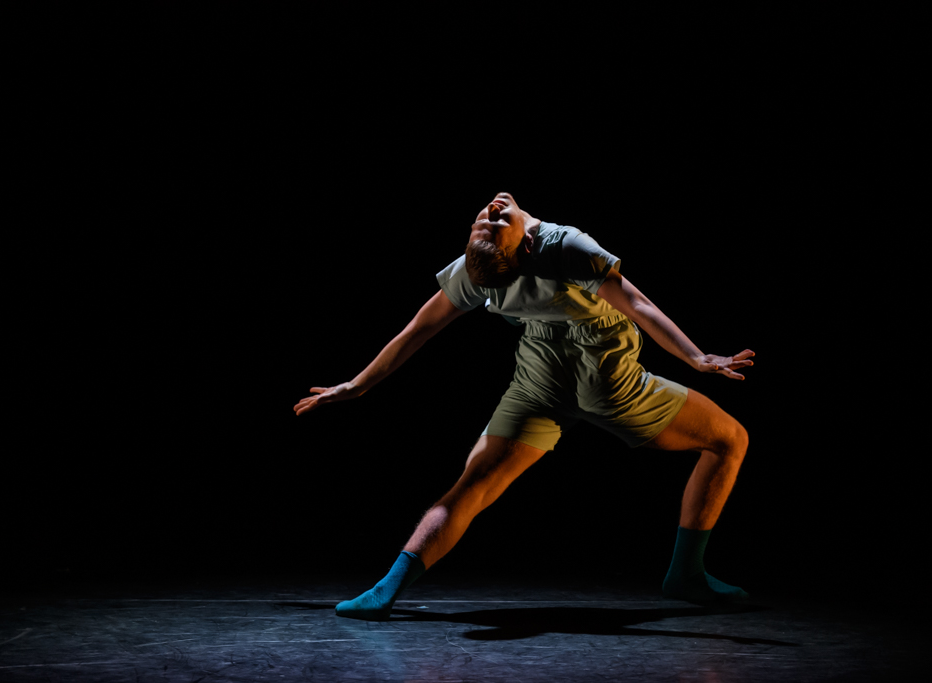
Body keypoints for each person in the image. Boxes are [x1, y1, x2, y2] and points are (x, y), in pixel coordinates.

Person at [294, 192, 755, 620]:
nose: (490, 215)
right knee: (729, 438)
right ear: (525, 251)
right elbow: (636, 303)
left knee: (475, 482)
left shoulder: (476, 267)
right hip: (603, 376)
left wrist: (357, 385)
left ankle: (388, 590)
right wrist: (696, 357)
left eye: (489, 224)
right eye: (488, 226)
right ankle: (687, 575)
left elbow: (417, 330)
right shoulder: (561, 247)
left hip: (541, 376)